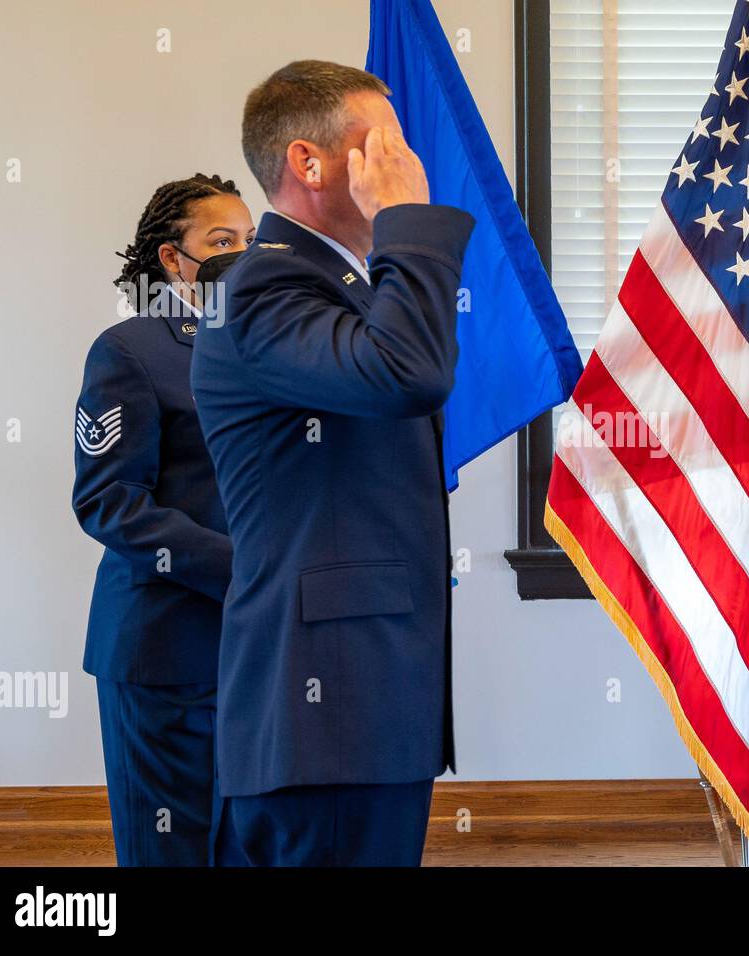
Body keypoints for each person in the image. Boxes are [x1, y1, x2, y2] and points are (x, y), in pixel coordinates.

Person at [190, 60, 475, 866]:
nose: (404, 162)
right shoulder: (263, 287)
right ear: (308, 164)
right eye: (379, 143)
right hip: (328, 711)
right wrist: (406, 221)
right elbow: (405, 373)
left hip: (367, 708)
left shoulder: (338, 285)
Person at [73, 173, 255, 865]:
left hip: (256, 646)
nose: (243, 254)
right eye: (221, 241)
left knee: (245, 842)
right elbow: (108, 501)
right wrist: (245, 570)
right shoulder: (130, 351)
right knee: (171, 848)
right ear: (172, 259)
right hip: (164, 645)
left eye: (251, 240)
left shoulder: (265, 347)